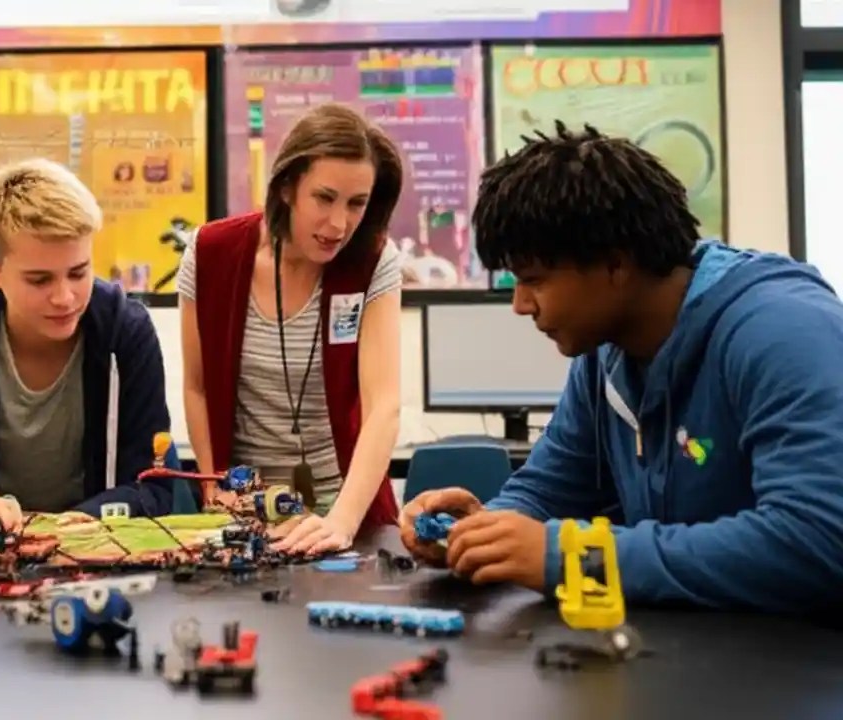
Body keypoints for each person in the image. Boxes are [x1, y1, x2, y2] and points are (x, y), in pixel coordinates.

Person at [400, 121, 843, 613]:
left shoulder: (783, 330)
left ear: (616, 265)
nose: (521, 306)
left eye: (534, 280)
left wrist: (577, 558)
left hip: (803, 668)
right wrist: (482, 533)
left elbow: (818, 540)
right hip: (696, 655)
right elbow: (552, 488)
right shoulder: (604, 354)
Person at [0, 158, 174, 553]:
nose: (64, 297)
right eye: (39, 280)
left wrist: (83, 521)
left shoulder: (126, 333)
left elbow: (155, 489)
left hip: (99, 564)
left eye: (78, 272)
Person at [179, 103, 404, 555]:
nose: (339, 224)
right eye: (324, 198)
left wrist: (339, 522)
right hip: (246, 512)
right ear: (286, 187)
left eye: (356, 204)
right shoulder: (211, 254)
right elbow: (198, 387)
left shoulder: (374, 261)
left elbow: (384, 405)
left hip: (346, 510)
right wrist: (212, 488)